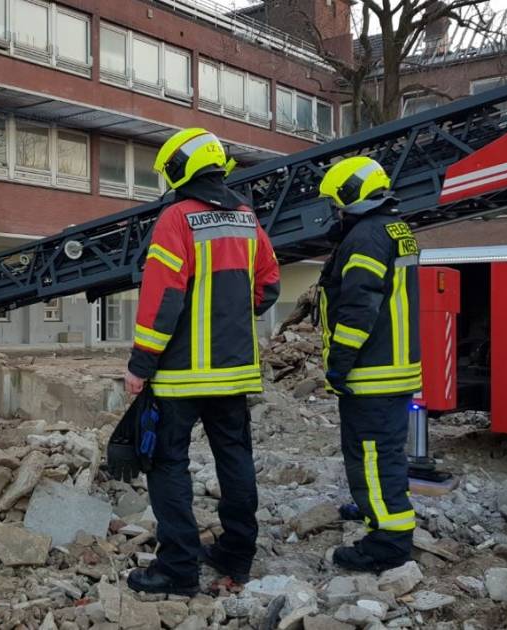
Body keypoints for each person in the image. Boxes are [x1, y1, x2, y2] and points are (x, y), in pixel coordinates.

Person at [123, 128, 281, 595]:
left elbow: (163, 299)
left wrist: (140, 364)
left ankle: (178, 569)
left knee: (167, 464)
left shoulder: (176, 219)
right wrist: (232, 316)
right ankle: (237, 554)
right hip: (234, 372)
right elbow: (269, 285)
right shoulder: (247, 219)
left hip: (181, 375)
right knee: (235, 459)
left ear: (180, 170)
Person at [316, 156, 420, 572]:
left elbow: (359, 307)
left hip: (373, 370)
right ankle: (374, 507)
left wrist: (339, 363)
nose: (335, 213)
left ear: (351, 196)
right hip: (393, 365)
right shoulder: (394, 228)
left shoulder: (366, 237)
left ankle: (388, 543)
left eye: (336, 203)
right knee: (383, 452)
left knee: (374, 454)